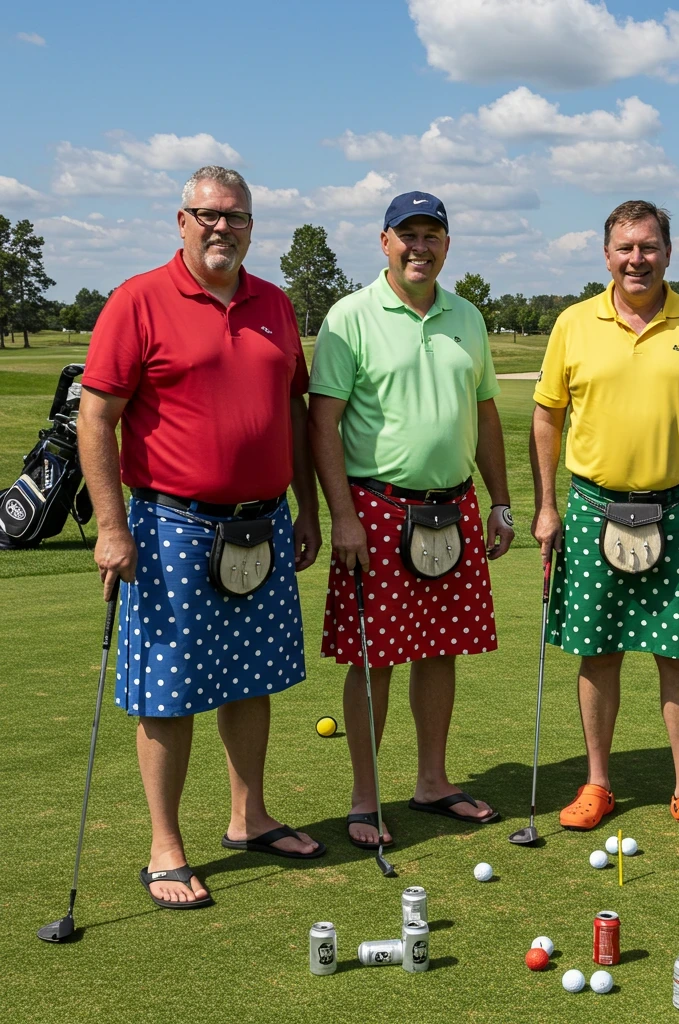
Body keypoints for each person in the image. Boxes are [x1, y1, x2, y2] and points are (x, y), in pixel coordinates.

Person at [78, 165, 324, 910]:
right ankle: (165, 846)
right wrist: (112, 528)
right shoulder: (137, 301)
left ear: (253, 225)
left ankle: (248, 817)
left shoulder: (273, 304)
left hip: (264, 522)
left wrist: (307, 508)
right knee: (170, 689)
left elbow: (294, 415)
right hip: (170, 525)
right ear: (180, 220)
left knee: (252, 679)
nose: (223, 228)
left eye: (238, 217)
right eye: (208, 215)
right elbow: (96, 419)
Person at [307, 191, 514, 849]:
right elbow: (323, 424)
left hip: (452, 508)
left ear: (446, 245)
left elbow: (484, 416)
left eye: (432, 236)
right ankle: (364, 798)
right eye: (408, 235)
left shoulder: (467, 317)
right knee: (374, 661)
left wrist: (501, 500)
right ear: (385, 241)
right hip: (375, 508)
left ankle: (432, 782)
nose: (419, 247)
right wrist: (341, 515)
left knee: (440, 651)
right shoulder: (352, 316)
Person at [531, 200, 679, 839]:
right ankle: (597, 782)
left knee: (678, 654)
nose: (636, 259)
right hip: (595, 506)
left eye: (649, 247)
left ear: (669, 253)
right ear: (606, 255)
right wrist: (546, 507)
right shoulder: (573, 323)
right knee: (597, 653)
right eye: (625, 248)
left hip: (677, 507)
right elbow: (547, 415)